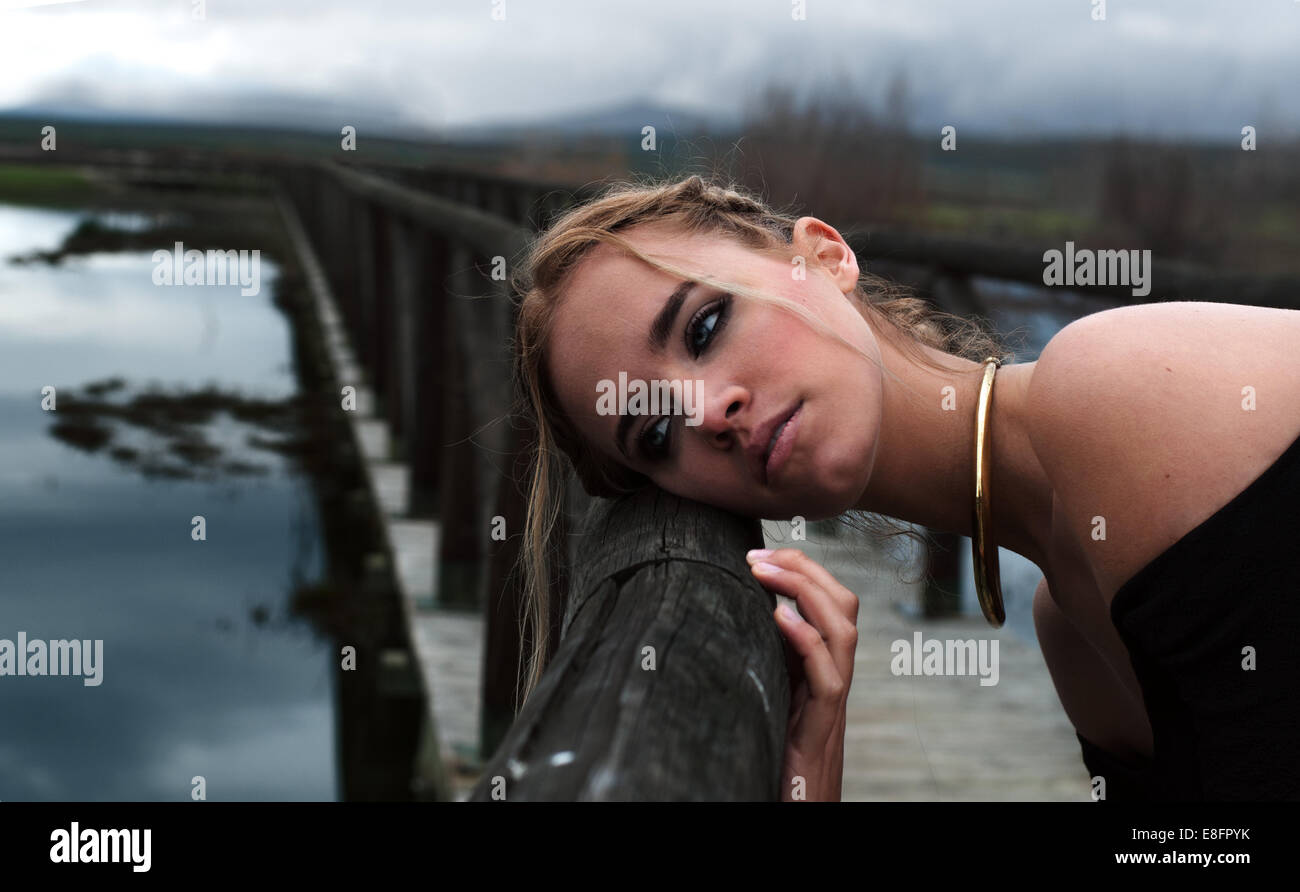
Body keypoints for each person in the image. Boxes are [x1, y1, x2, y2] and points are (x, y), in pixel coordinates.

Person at [508, 173, 1300, 801]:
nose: (709, 412)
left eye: (705, 326)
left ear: (824, 255)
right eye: (653, 433)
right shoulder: (1070, 636)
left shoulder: (1114, 390)